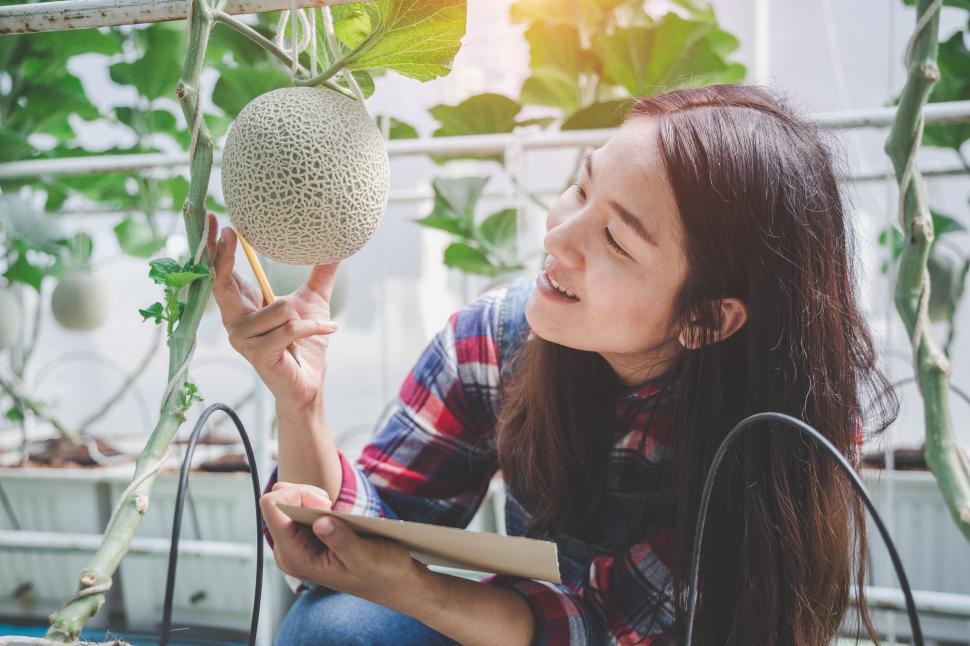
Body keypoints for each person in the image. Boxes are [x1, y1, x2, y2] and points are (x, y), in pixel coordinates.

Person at [206, 84, 899, 646]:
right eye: (579, 187)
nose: (558, 237)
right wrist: (301, 403)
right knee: (337, 627)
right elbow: (358, 540)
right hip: (529, 631)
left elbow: (611, 630)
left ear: (706, 318)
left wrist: (416, 589)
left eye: (617, 242)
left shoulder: (786, 433)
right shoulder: (494, 339)